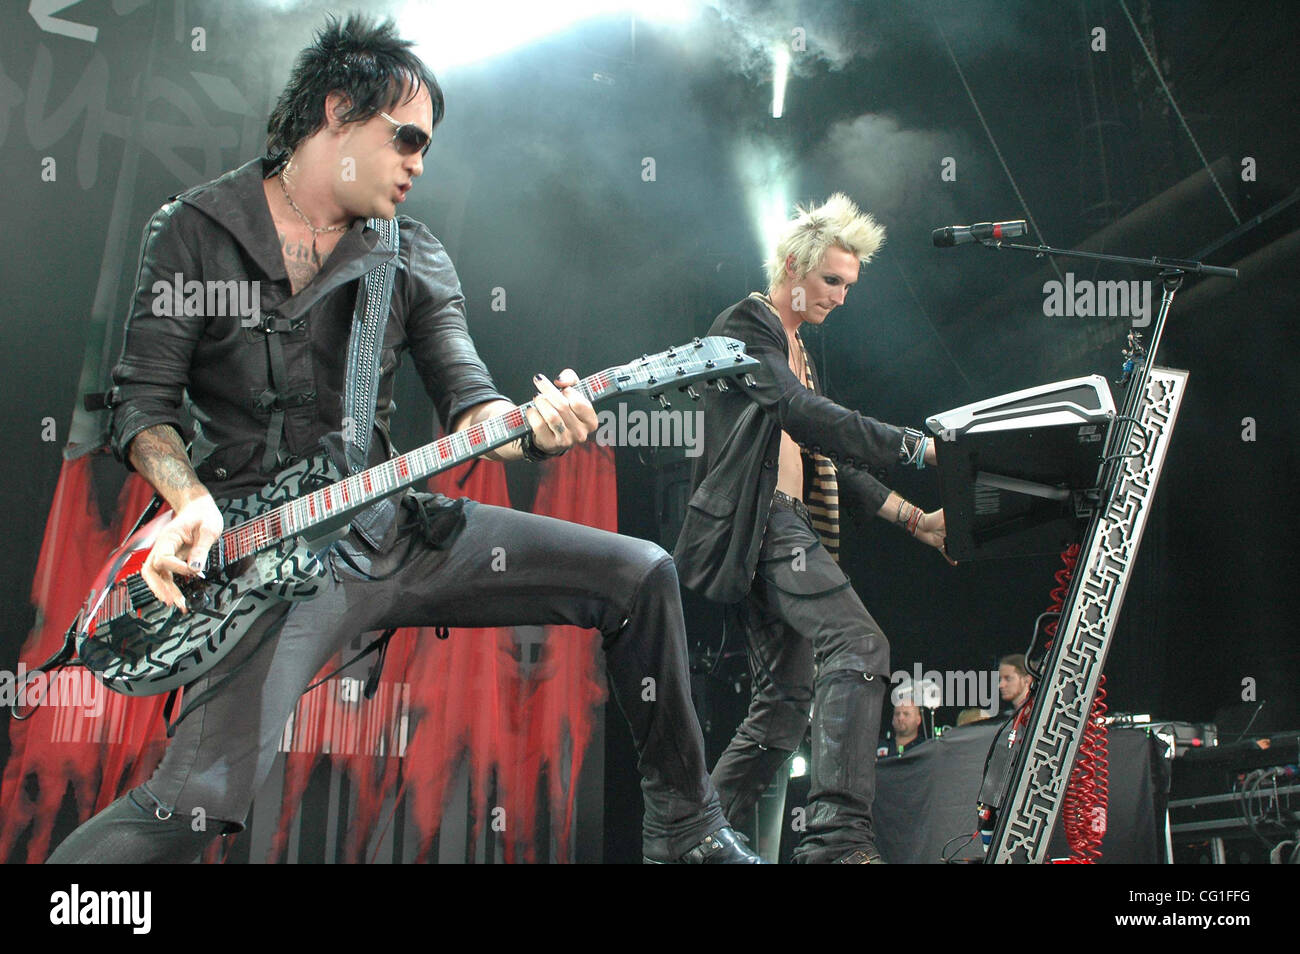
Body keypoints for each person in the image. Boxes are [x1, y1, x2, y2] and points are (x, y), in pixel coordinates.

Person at [48, 14, 758, 865]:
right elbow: (143, 403)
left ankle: (689, 834)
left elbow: (472, 404)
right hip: (264, 554)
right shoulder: (197, 229)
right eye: (408, 139)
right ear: (339, 113)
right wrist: (190, 501)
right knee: (193, 803)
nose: (421, 163)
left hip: (393, 529)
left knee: (640, 573)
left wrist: (529, 435)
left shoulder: (411, 256)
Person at [674, 193, 952, 864]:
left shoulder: (797, 349)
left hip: (784, 528)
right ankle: (835, 839)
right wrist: (916, 446)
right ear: (794, 266)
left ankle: (694, 843)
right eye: (832, 280)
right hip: (766, 526)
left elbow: (829, 457)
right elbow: (800, 414)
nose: (841, 297)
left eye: (849, 285)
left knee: (783, 707)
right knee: (859, 645)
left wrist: (915, 519)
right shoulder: (748, 325)